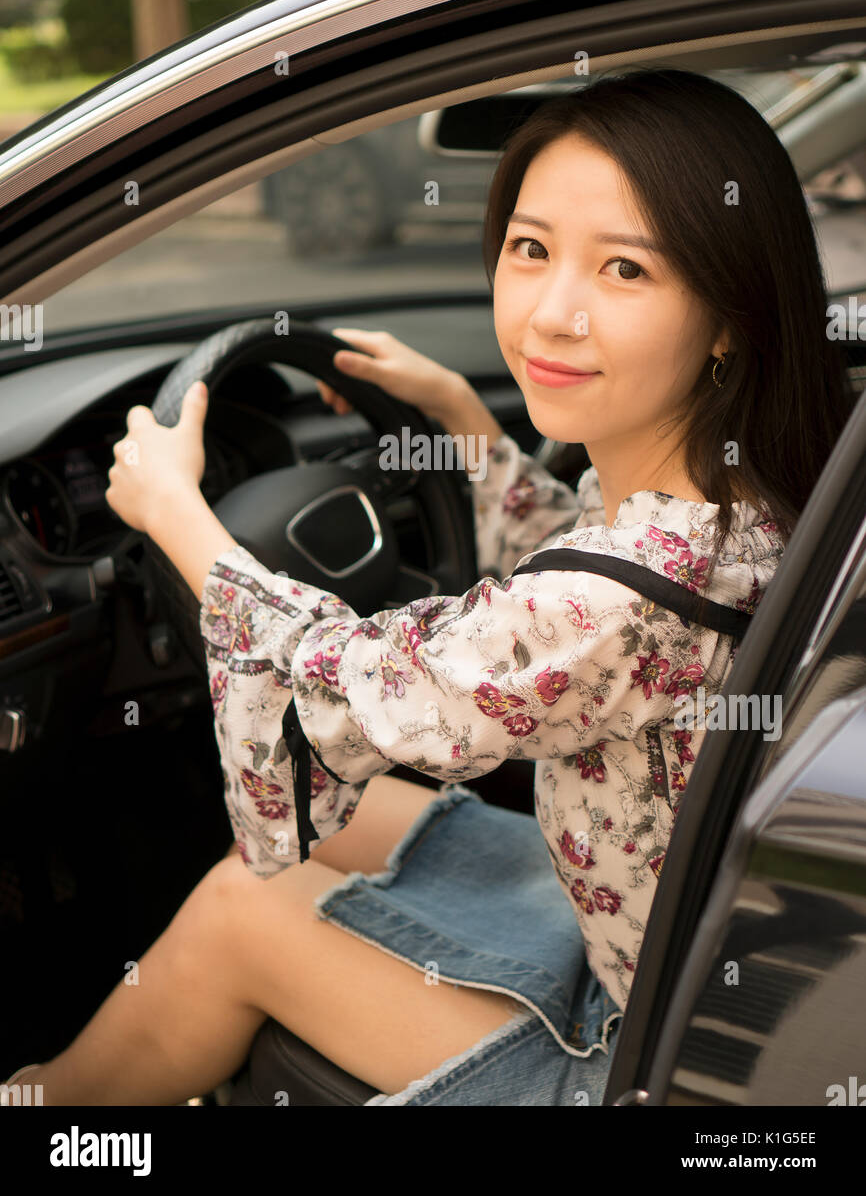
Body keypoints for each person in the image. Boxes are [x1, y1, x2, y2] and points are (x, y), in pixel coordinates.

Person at [2, 67, 851, 1107]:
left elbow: (344, 689)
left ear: (728, 315)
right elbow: (575, 580)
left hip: (641, 1060)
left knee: (240, 912)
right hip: (690, 946)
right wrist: (461, 416)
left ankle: (38, 1109)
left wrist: (176, 514)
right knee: (331, 828)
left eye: (624, 270)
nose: (550, 314)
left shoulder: (610, 603)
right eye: (529, 249)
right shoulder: (748, 500)